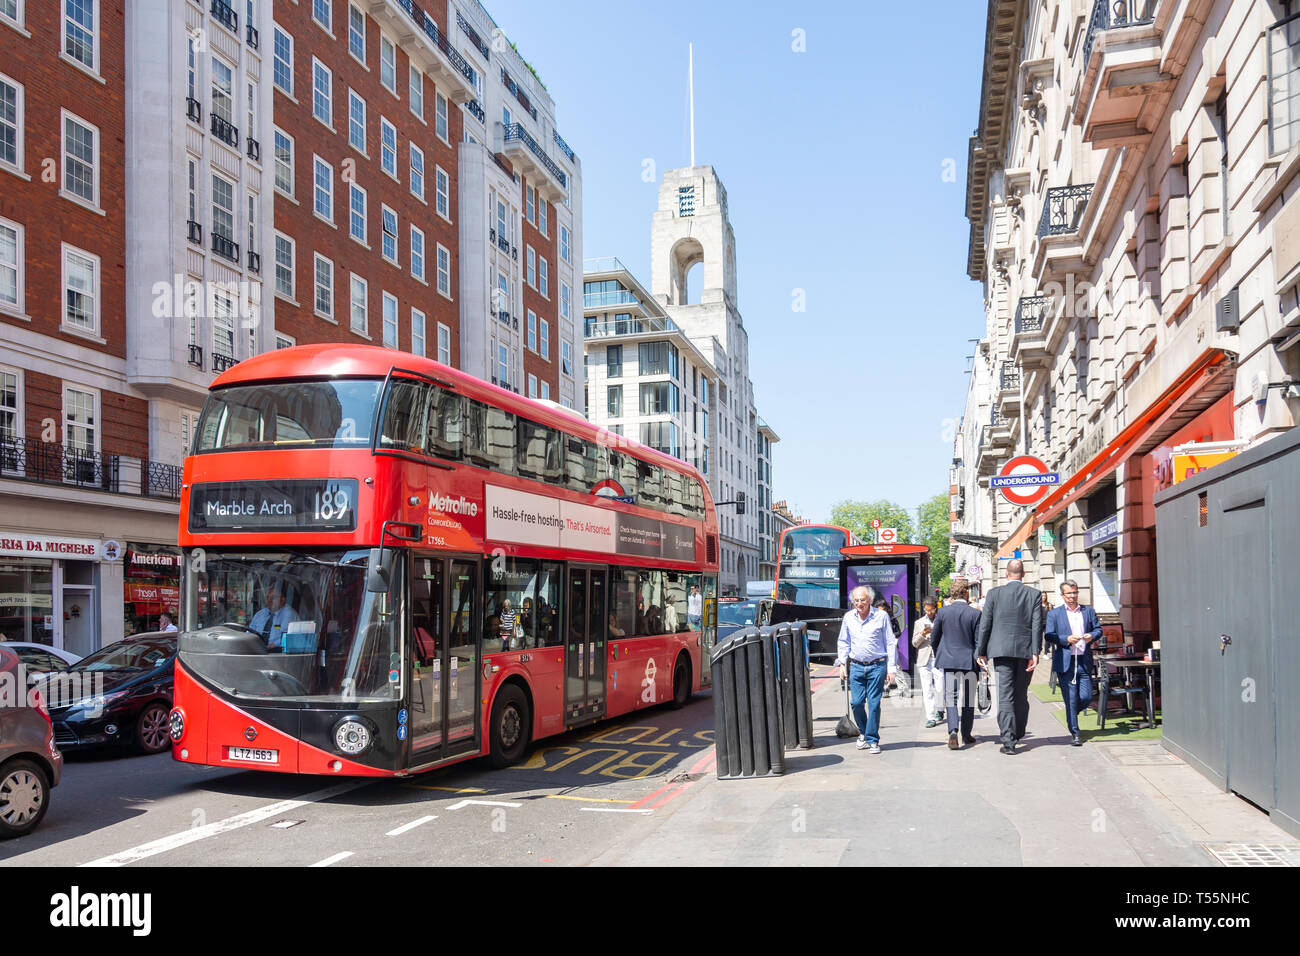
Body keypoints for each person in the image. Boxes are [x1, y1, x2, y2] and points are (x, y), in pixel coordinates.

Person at [975, 558, 1043, 755]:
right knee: (1021, 693)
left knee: (1005, 695)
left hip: (1000, 650)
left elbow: (985, 624)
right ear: (1023, 574)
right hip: (1025, 651)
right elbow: (1037, 624)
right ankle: (1018, 730)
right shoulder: (1034, 594)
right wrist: (1036, 652)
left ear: (1006, 574)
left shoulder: (994, 594)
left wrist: (981, 651)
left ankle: (1008, 740)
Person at [836, 585, 898, 754]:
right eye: (856, 600)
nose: (859, 603)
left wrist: (891, 669)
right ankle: (863, 732)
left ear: (869, 600)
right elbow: (843, 641)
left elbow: (890, 642)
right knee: (856, 703)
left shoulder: (881, 616)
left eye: (862, 600)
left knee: (874, 703)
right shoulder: (848, 617)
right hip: (856, 666)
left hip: (877, 666)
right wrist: (842, 664)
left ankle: (872, 740)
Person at [1044, 579, 1102, 746]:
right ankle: (1075, 733)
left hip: (1084, 660)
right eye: (1069, 593)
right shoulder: (1054, 614)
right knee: (1070, 698)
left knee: (1087, 696)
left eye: (1075, 592)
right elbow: (1049, 635)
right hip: (1065, 662)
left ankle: (1071, 713)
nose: (1073, 596)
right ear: (1062, 595)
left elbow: (1098, 629)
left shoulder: (1088, 611)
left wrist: (1092, 635)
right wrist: (1066, 639)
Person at [931, 580, 983, 749]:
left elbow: (934, 637)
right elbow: (978, 641)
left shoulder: (943, 612)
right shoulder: (974, 614)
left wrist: (940, 651)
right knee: (968, 698)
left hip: (949, 658)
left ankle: (953, 730)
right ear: (966, 592)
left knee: (950, 696)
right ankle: (966, 734)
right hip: (969, 659)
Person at [912, 598, 943, 727]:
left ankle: (940, 709)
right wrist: (923, 634)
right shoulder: (919, 623)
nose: (929, 612)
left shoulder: (941, 620)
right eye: (926, 610)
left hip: (939, 658)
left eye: (931, 610)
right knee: (927, 689)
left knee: (940, 687)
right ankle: (930, 716)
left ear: (936, 608)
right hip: (924, 659)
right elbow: (914, 643)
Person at [249, 583, 300, 650]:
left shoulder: (289, 614)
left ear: (282, 599)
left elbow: (287, 637)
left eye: (273, 597)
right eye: (267, 597)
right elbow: (250, 631)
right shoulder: (260, 614)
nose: (269, 600)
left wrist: (270, 646)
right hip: (257, 651)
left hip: (278, 652)